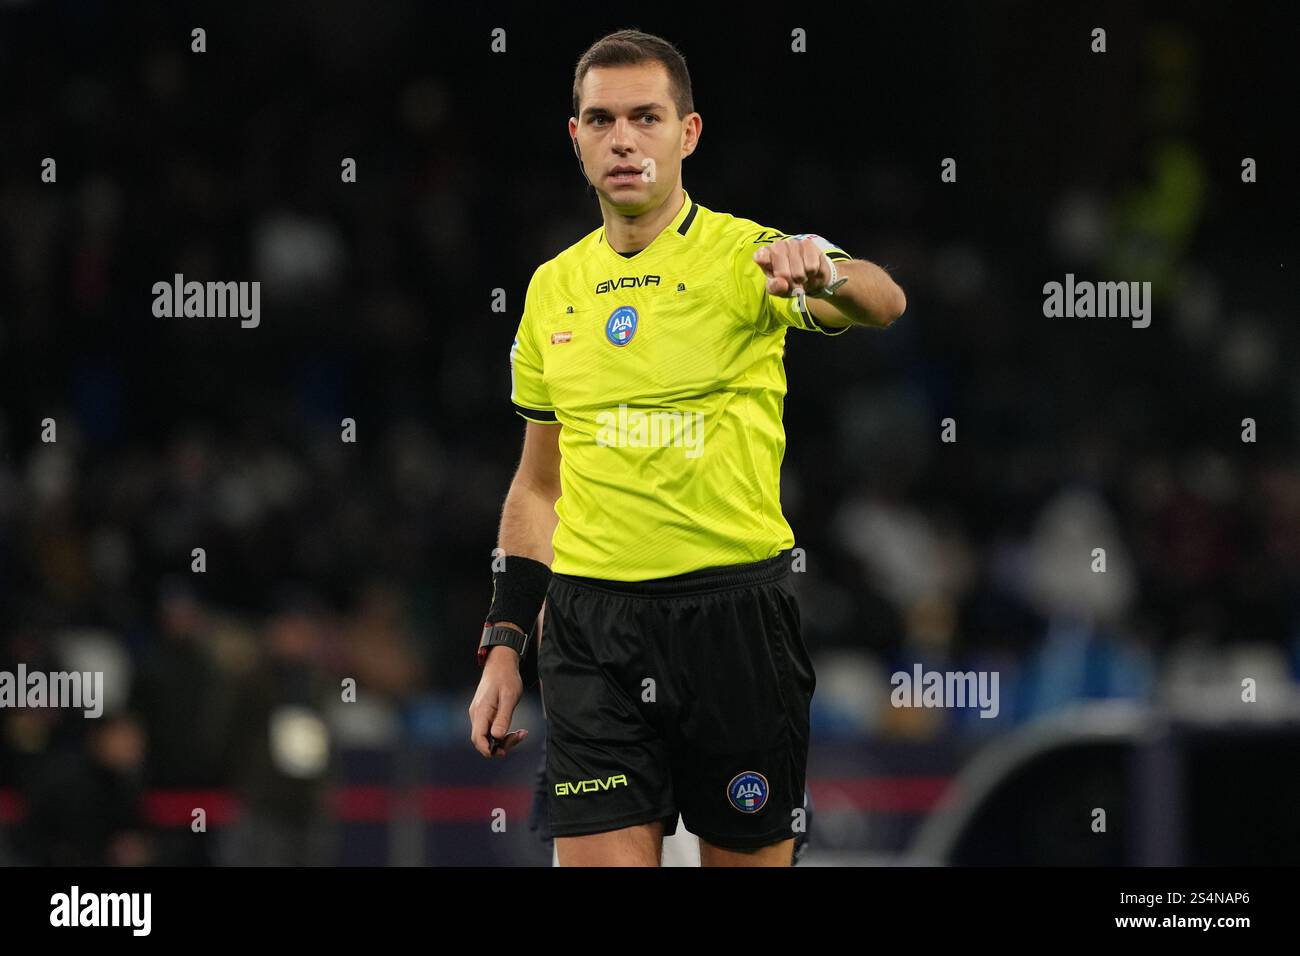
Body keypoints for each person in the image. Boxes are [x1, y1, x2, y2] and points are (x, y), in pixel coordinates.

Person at [468, 28, 905, 867]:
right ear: (576, 137)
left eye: (646, 117)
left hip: (735, 620)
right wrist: (505, 642)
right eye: (600, 120)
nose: (623, 139)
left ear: (688, 133)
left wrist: (827, 271)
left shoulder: (750, 257)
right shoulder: (551, 289)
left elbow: (885, 302)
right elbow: (536, 488)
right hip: (592, 629)